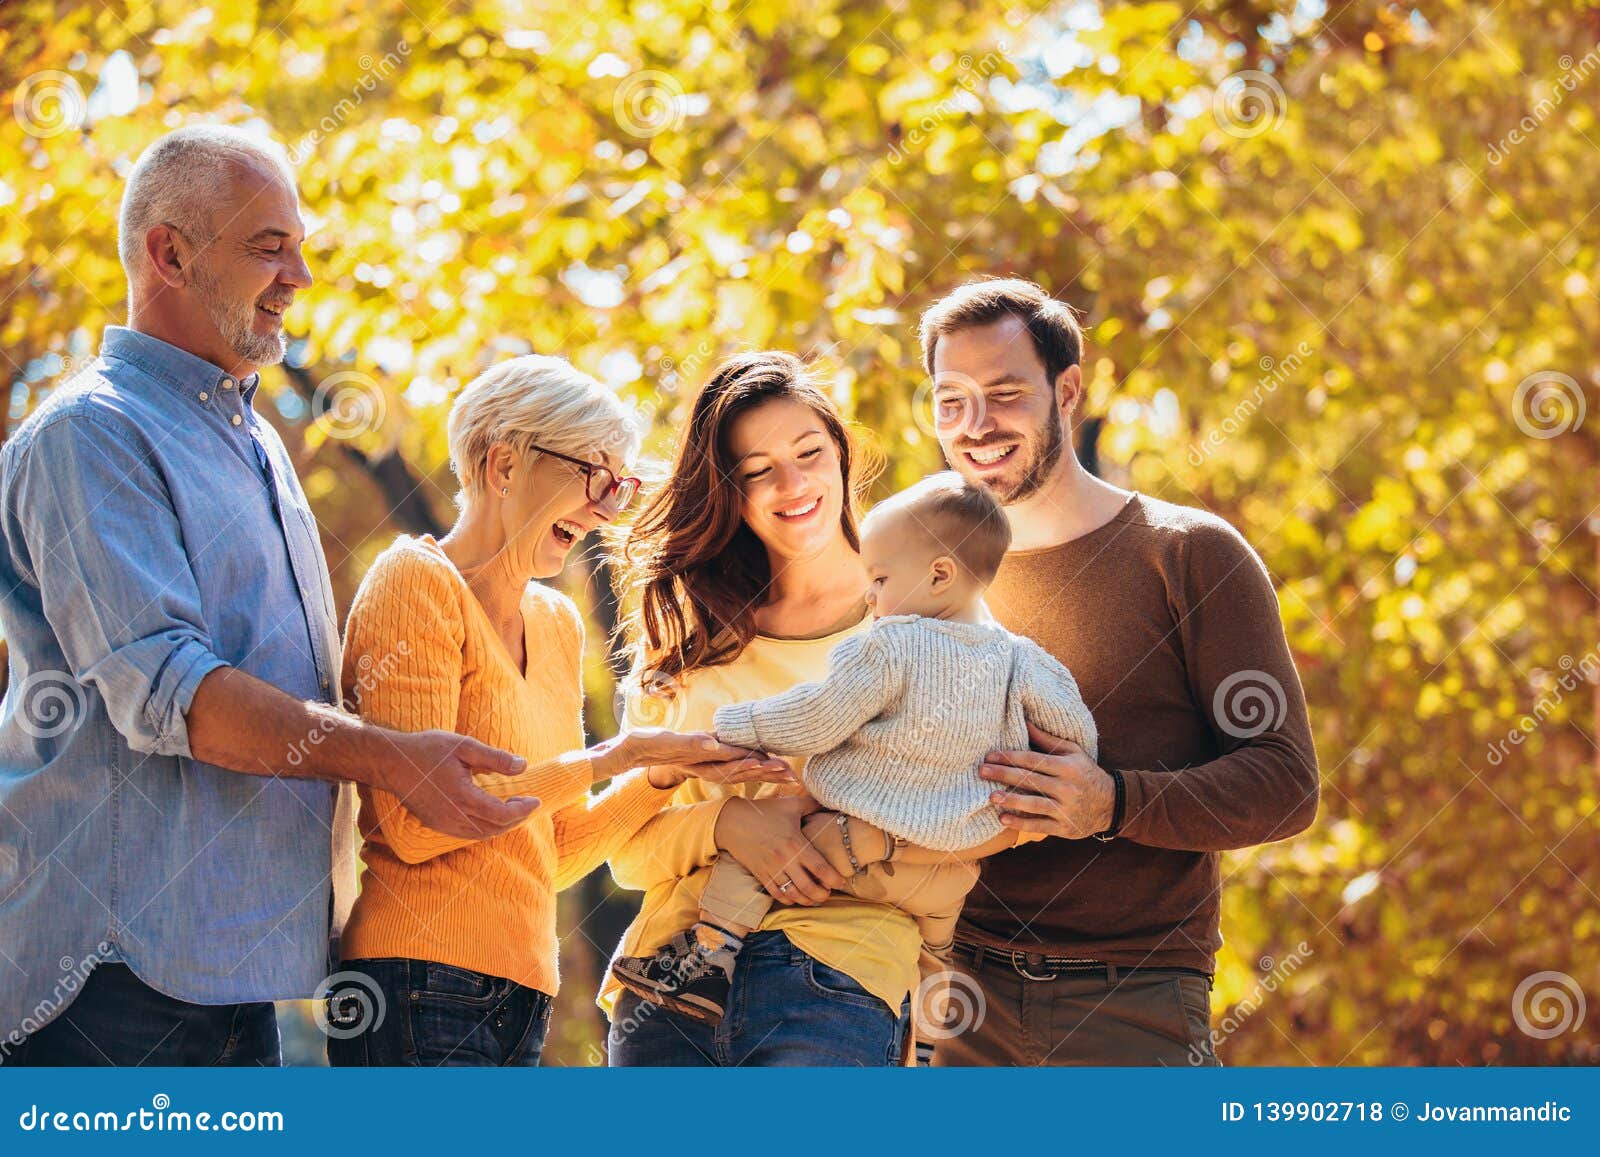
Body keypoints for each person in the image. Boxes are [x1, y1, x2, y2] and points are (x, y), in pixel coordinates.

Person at [0, 126, 536, 1067]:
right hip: (113, 977)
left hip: (236, 974)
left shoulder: (251, 443)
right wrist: (387, 758)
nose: (300, 275)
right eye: (267, 246)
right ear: (170, 252)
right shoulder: (92, 435)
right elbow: (175, 693)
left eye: (299, 245)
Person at [324, 354, 788, 1066]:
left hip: (522, 991)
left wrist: (658, 774)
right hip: (414, 980)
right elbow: (415, 825)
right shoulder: (416, 582)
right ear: (503, 464)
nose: (607, 506)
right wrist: (620, 755)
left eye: (621, 486)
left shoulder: (558, 623)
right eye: (594, 475)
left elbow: (555, 848)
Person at [918, 278, 1320, 1066]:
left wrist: (1112, 800)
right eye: (951, 400)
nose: (976, 426)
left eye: (1004, 394)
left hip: (1133, 1002)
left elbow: (1285, 783)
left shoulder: (1188, 553)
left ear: (1067, 391)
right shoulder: (922, 573)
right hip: (952, 1000)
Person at [610, 472, 1097, 1068]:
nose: (872, 597)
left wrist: (735, 728)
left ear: (939, 575)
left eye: (882, 580)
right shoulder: (1022, 659)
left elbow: (818, 718)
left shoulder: (887, 645)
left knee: (754, 859)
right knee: (935, 952)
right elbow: (1074, 741)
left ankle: (709, 955)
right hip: (945, 872)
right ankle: (921, 1046)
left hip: (842, 841)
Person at [601, 351, 928, 1067]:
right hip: (669, 980)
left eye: (809, 452)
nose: (793, 483)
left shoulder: (921, 615)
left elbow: (969, 817)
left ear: (841, 454)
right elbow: (625, 847)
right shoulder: (687, 636)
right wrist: (728, 822)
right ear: (731, 491)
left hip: (838, 978)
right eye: (757, 470)